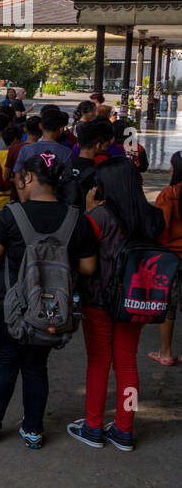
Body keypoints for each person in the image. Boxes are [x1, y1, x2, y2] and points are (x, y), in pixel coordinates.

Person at [0, 152, 96, 448]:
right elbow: (89, 267)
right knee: (36, 366)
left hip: (10, 303)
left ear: (28, 177)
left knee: (5, 361)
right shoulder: (75, 217)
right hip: (52, 308)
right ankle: (32, 430)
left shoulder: (10, 214)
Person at [69, 156, 166, 451]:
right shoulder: (151, 216)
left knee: (98, 363)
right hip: (136, 301)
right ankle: (124, 429)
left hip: (98, 301)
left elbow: (79, 248)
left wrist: (87, 210)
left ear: (104, 185)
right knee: (128, 365)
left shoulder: (99, 217)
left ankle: (93, 426)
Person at [151, 150, 182, 367]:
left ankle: (166, 352)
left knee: (168, 306)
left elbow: (161, 229)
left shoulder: (169, 194)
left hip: (172, 258)